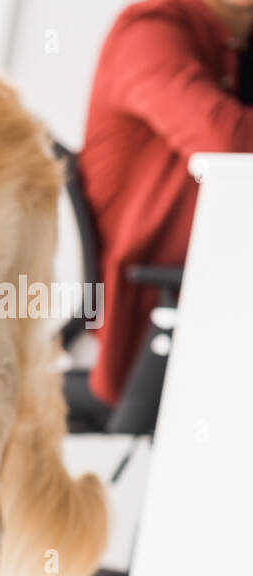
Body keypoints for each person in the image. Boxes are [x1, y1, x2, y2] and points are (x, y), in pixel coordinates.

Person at [78, 0, 253, 409]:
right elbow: (229, 143)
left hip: (216, 292)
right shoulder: (149, 27)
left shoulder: (239, 44)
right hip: (147, 309)